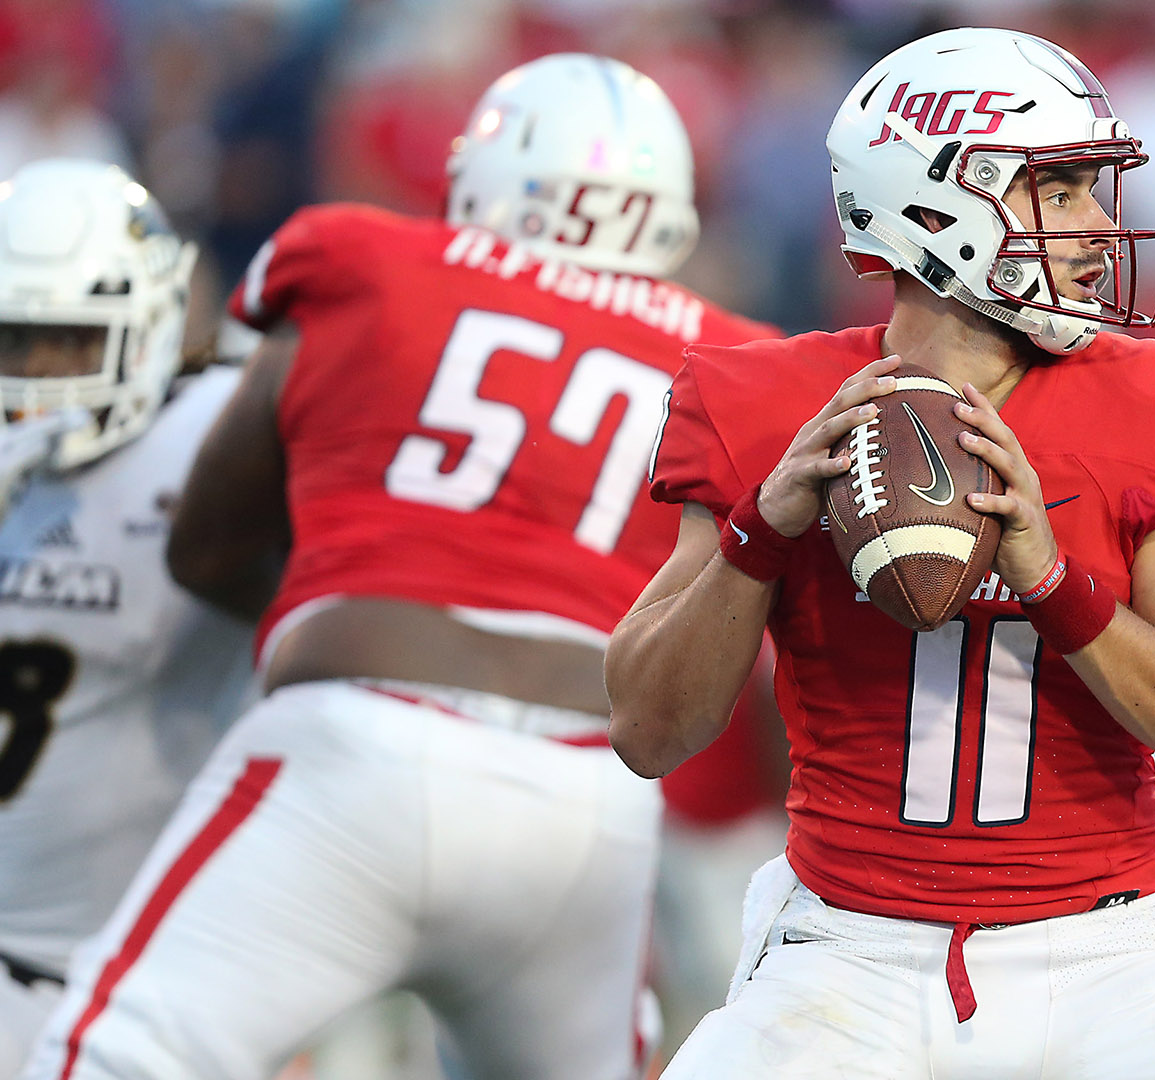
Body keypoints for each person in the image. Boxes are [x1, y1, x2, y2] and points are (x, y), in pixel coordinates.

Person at [24, 53, 777, 1080]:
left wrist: (340, 600)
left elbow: (208, 543)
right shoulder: (734, 359)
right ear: (671, 222)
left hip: (360, 742)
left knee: (119, 1054)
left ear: (477, 183)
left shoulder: (364, 257)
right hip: (584, 799)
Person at [610, 27, 1155, 1078]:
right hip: (845, 950)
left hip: (1110, 951)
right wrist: (762, 536)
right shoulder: (767, 399)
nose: (1099, 228)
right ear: (935, 206)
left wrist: (1053, 583)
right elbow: (648, 730)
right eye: (1065, 190)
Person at [0, 158, 253, 1076]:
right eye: (13, 344)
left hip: (137, 985)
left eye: (67, 343)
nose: (34, 380)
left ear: (144, 326)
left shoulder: (218, 432)